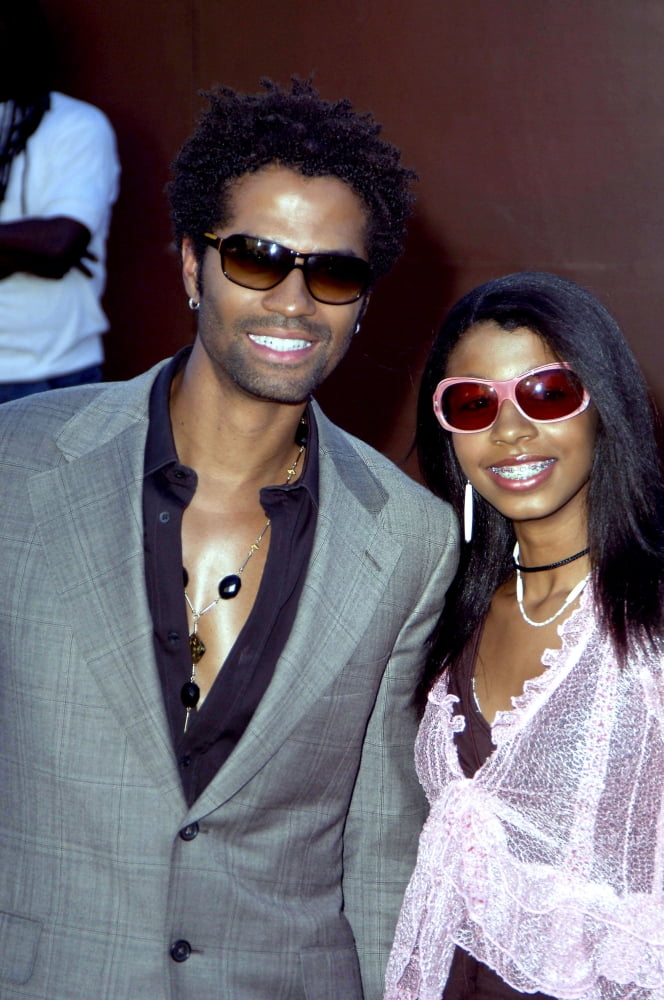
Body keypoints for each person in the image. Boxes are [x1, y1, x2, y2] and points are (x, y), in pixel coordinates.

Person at [0, 79, 458, 1000]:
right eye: (256, 257)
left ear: (362, 303)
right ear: (188, 267)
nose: (293, 300)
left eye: (332, 273)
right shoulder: (19, 465)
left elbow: (377, 843)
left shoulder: (413, 538)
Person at [384, 271, 664, 1000]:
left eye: (547, 394)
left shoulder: (652, 620)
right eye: (473, 404)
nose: (510, 432)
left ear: (602, 404)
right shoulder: (444, 608)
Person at [0, 1, 119, 402]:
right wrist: (22, 247)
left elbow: (58, 245)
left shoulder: (77, 124)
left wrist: (46, 249)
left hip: (51, 373)